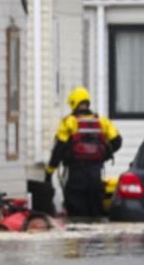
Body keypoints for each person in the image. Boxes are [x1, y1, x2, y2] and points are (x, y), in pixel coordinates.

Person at [45, 87, 122, 217]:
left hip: (76, 176)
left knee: (76, 214)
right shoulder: (101, 121)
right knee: (95, 212)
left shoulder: (69, 122)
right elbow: (117, 141)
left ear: (73, 103)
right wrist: (103, 155)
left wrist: (49, 172)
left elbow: (59, 149)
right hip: (95, 175)